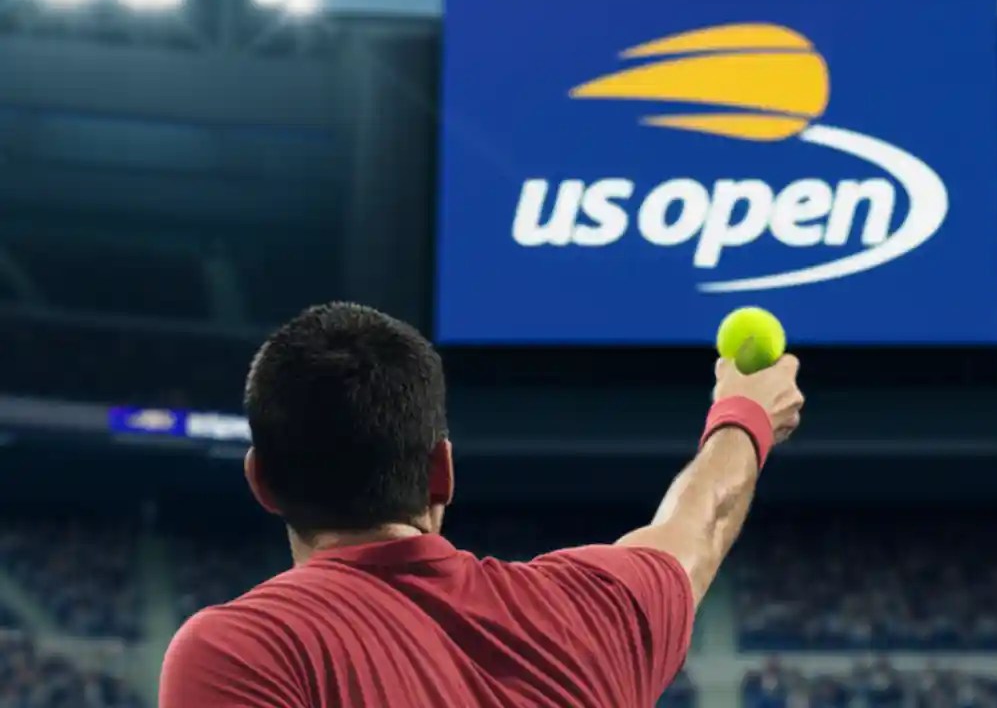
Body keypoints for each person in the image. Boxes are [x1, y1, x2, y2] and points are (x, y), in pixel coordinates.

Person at [158, 302, 804, 707]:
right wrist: (744, 412)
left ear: (261, 482)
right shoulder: (592, 612)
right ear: (442, 472)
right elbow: (701, 522)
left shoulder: (242, 653)